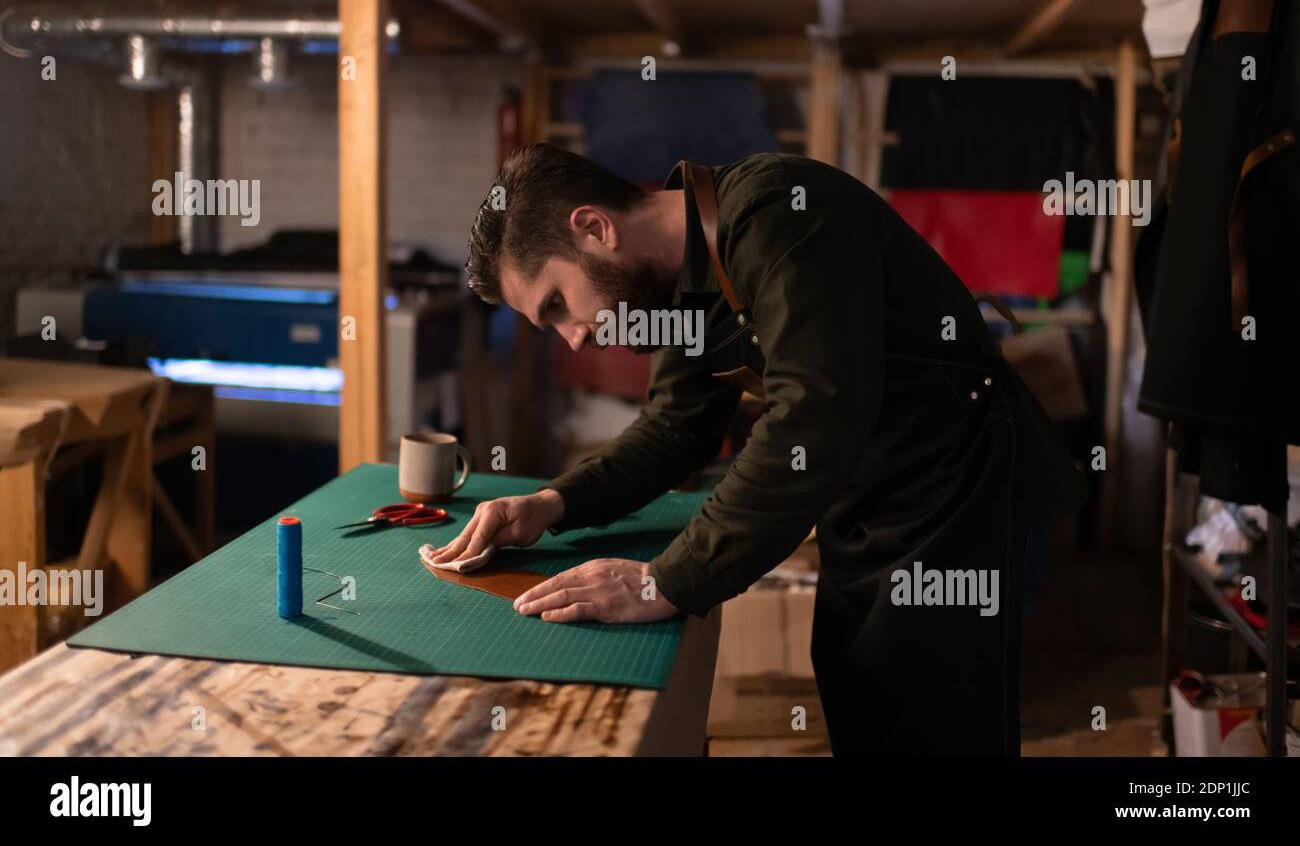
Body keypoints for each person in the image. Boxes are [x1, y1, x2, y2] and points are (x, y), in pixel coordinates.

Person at [434, 143, 1085, 755]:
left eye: (557, 305)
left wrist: (668, 579)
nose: (572, 340)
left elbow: (815, 415)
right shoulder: (679, 284)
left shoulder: (778, 214)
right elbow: (677, 426)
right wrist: (554, 502)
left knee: (936, 737)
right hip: (872, 503)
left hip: (963, 498)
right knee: (865, 708)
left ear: (594, 228)